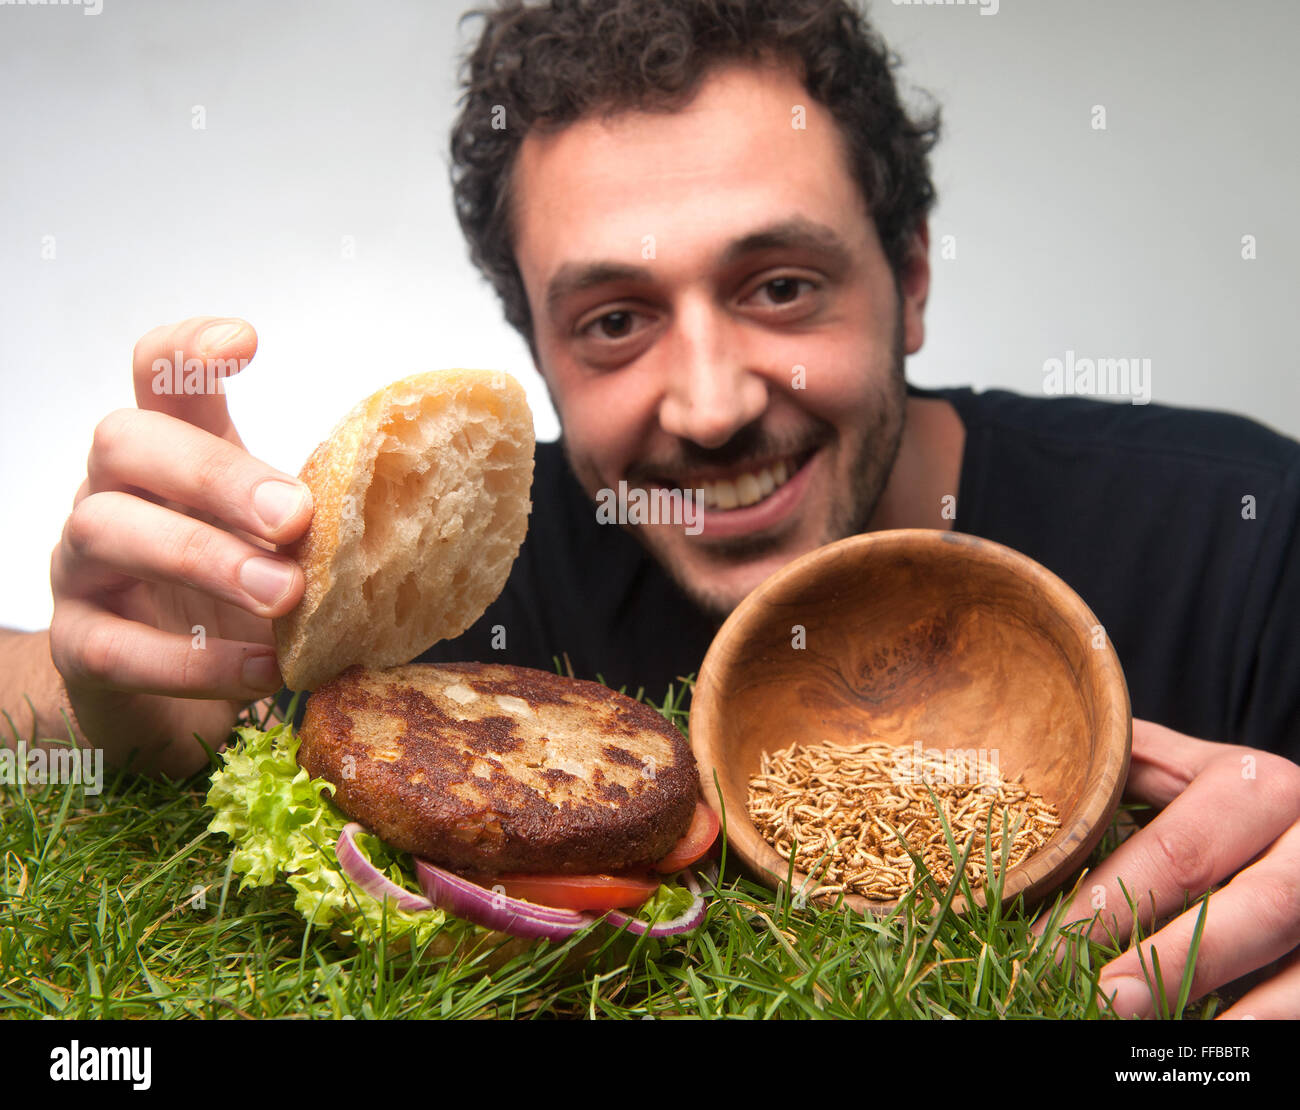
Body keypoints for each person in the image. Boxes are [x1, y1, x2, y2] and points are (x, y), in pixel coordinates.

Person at [1, 0, 1296, 1018]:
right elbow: (48, 693)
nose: (713, 402)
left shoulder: (1243, 533)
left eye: (781, 287)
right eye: (614, 322)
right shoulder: (469, 606)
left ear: (907, 282)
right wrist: (142, 688)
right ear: (542, 356)